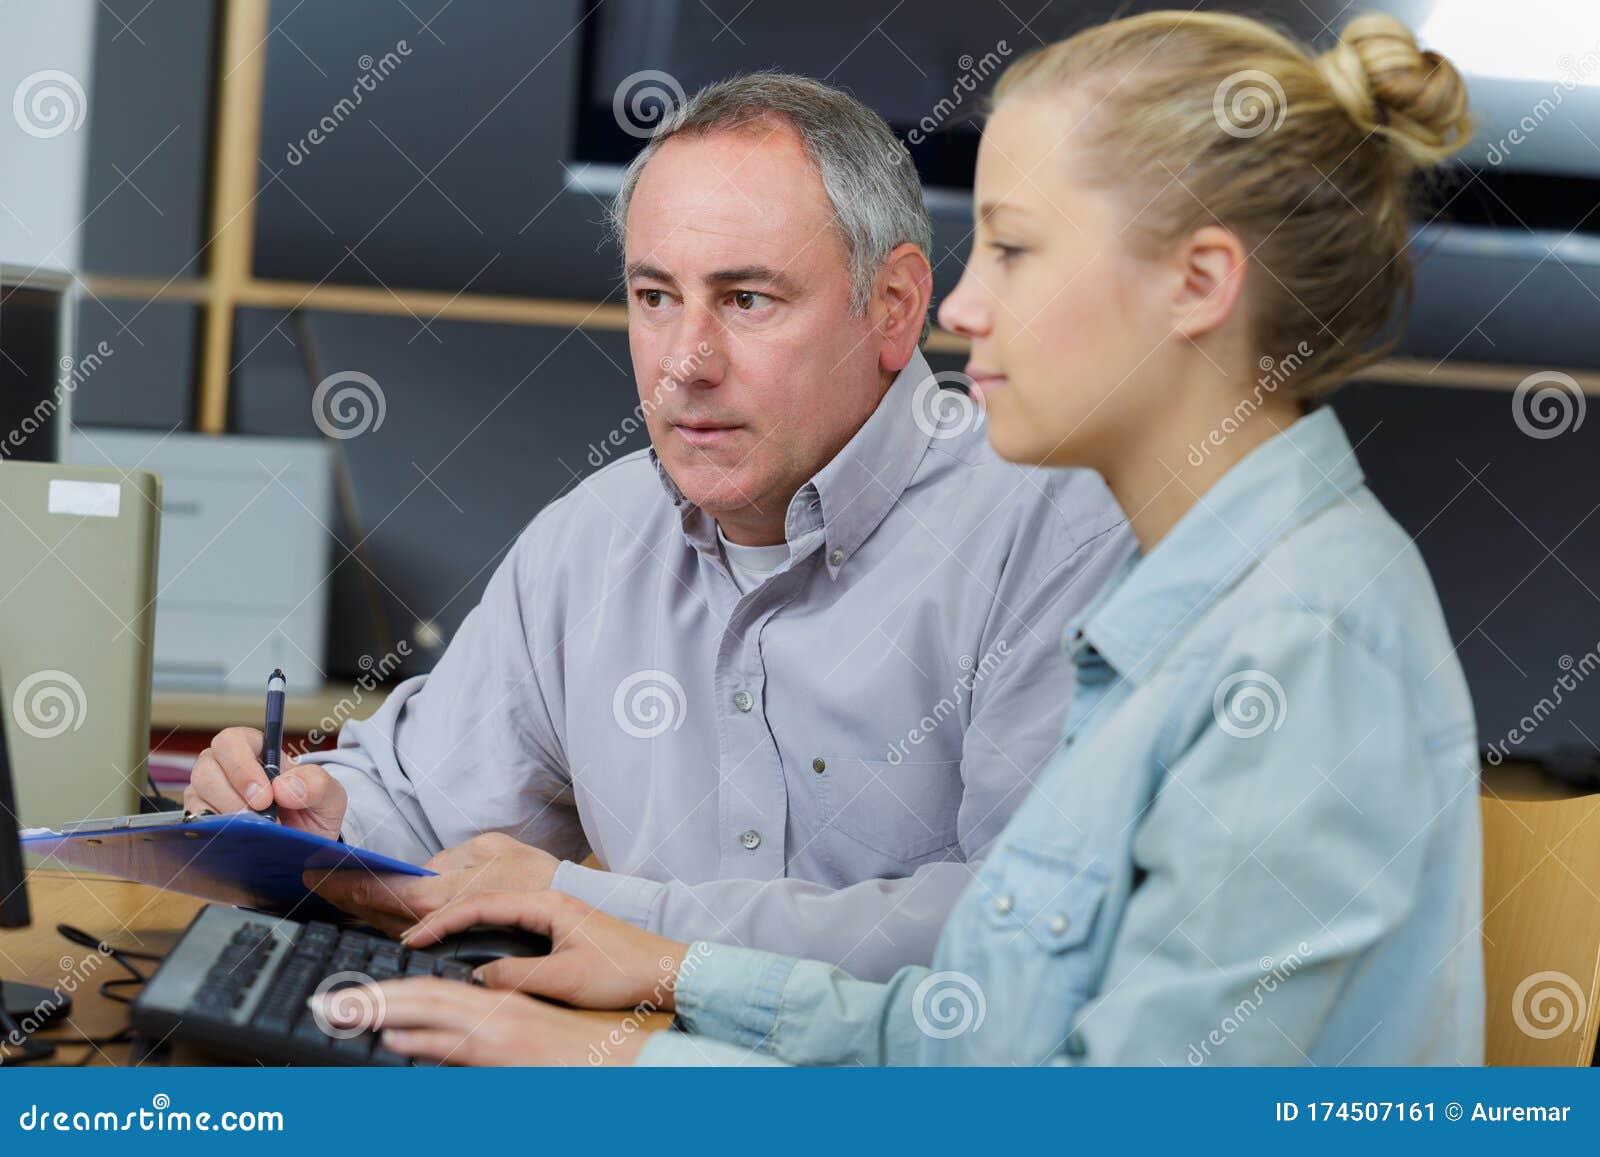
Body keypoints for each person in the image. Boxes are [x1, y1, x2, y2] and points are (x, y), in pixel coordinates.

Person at [314, 10, 1486, 1066]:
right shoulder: (1202, 602)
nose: (963, 310)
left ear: (1198, 284)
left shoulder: (1301, 642)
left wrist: (616, 1067)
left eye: (1013, 250)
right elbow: (985, 1036)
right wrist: (673, 972)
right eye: (654, 294)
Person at [184, 73, 1132, 981]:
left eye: (747, 299)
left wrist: (599, 913)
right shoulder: (592, 538)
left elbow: (1026, 928)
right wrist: (306, 819)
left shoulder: (1054, 527)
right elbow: (423, 806)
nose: (686, 362)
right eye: (655, 298)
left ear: (894, 309)